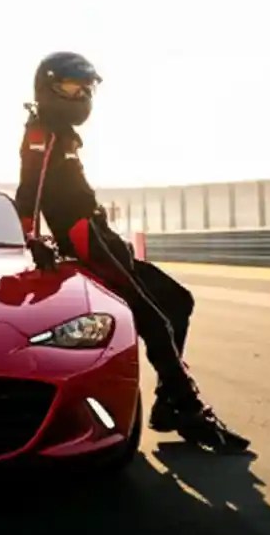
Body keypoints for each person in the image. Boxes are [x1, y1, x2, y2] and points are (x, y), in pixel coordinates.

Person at [15, 51, 251, 454]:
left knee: (178, 301)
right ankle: (191, 411)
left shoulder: (61, 133)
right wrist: (32, 238)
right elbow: (28, 193)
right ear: (47, 87)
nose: (80, 95)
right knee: (154, 322)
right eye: (71, 87)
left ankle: (167, 406)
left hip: (103, 237)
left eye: (85, 89)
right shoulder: (41, 133)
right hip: (87, 241)